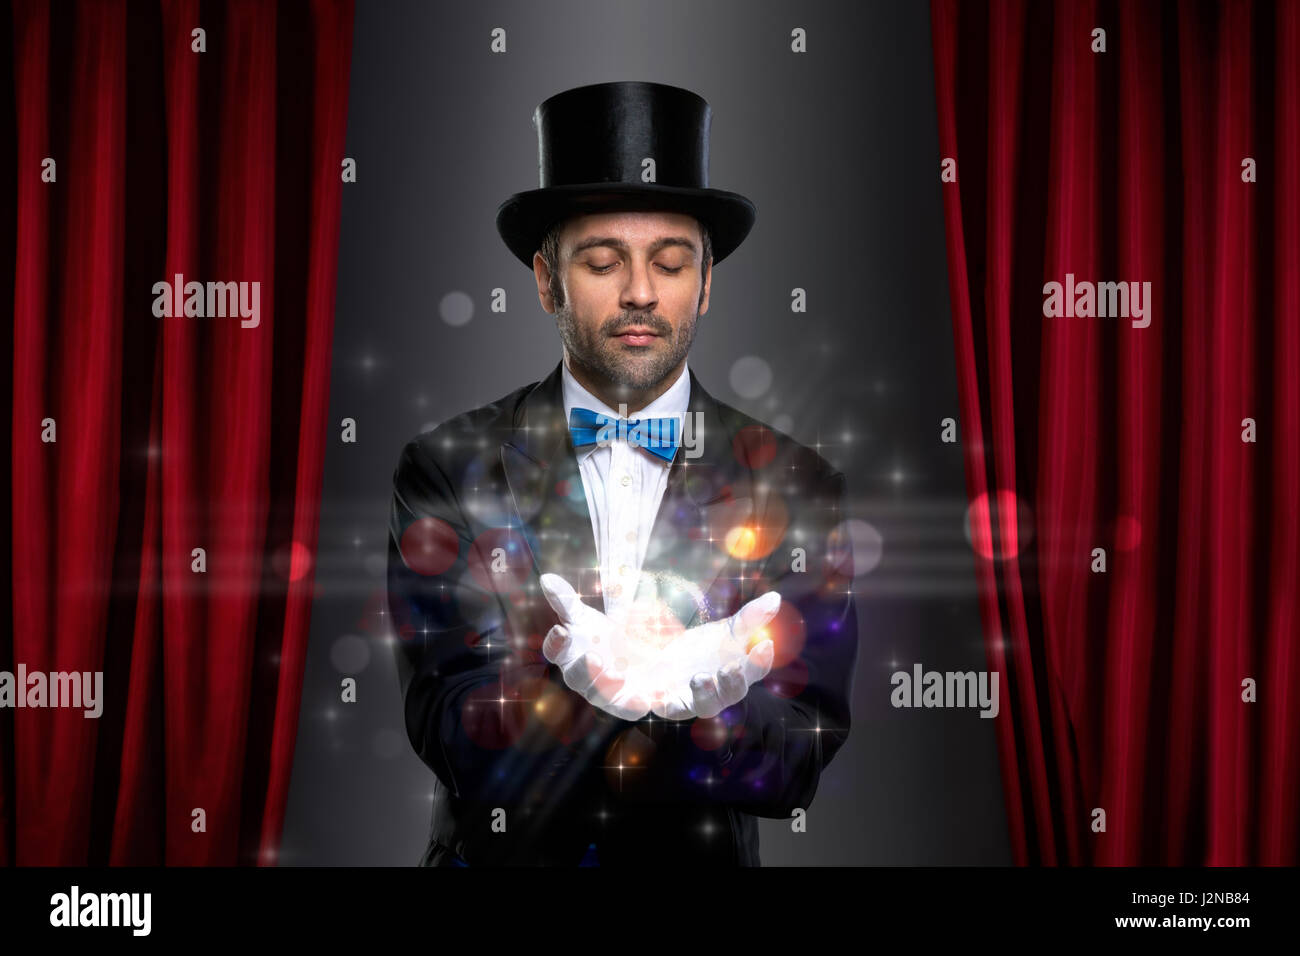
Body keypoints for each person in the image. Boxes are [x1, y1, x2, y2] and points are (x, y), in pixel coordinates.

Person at [387, 81, 858, 866]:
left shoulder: (797, 483)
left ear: (705, 284)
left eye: (670, 264)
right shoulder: (444, 466)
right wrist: (590, 695)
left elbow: (800, 755)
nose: (640, 292)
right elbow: (443, 720)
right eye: (603, 262)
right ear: (547, 281)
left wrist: (695, 709)